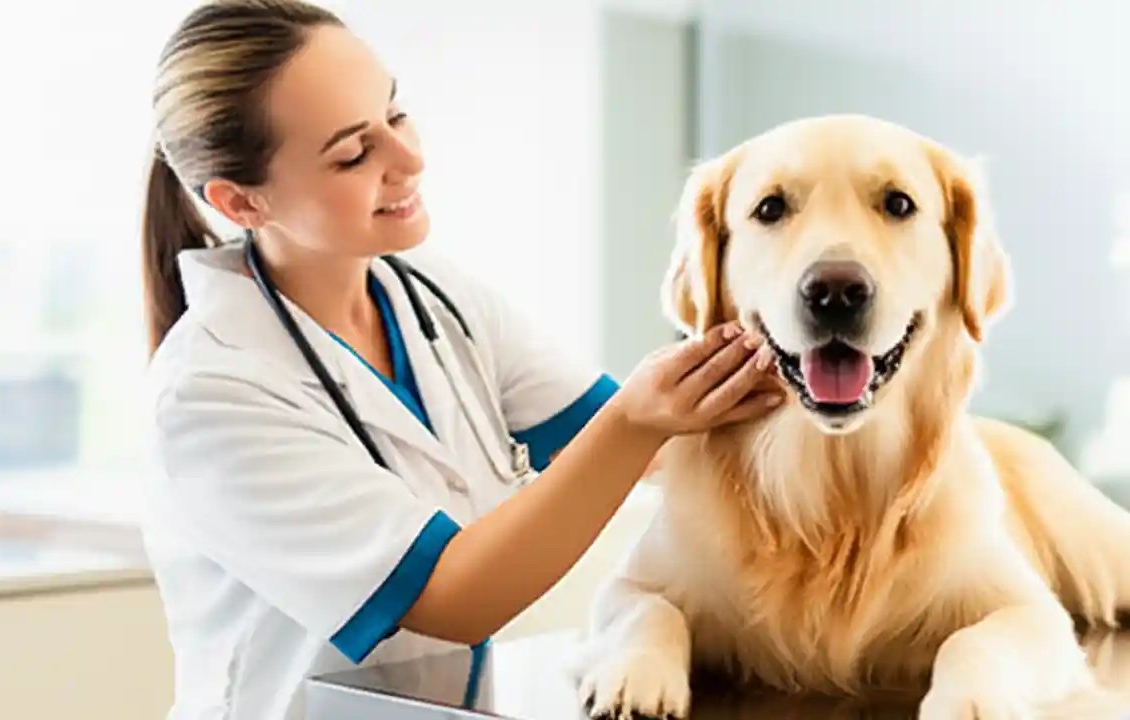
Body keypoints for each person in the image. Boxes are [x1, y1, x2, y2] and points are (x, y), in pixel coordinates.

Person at [138, 1, 783, 718]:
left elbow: (651, 448)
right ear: (241, 202)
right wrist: (641, 420)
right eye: (354, 153)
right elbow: (452, 599)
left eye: (396, 114)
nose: (409, 159)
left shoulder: (435, 298)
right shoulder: (212, 393)